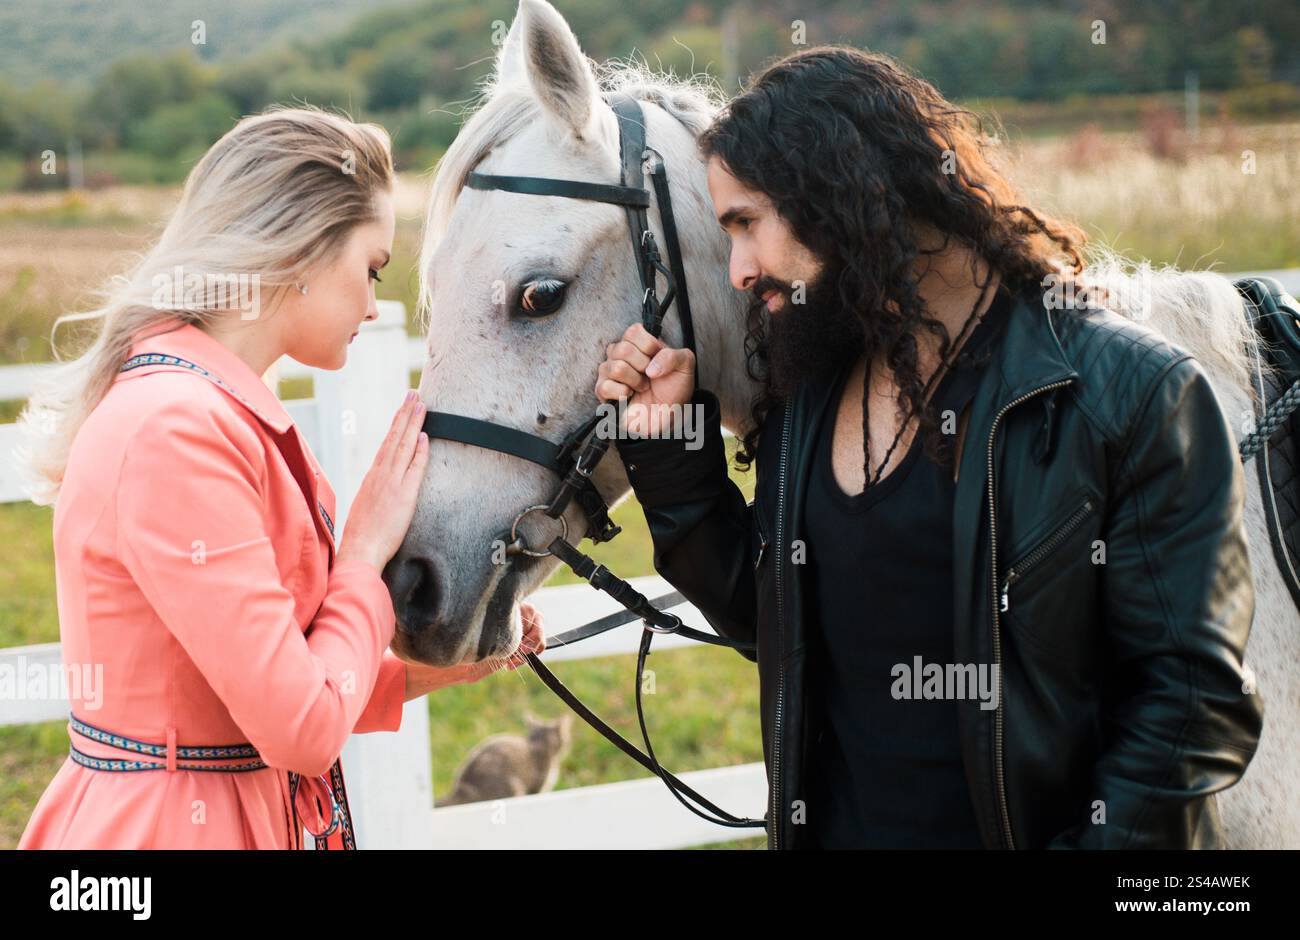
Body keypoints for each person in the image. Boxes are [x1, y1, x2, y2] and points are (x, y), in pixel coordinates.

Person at [598, 46, 1262, 849]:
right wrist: (673, 450)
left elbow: (1191, 711)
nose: (738, 270)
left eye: (746, 225)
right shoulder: (811, 387)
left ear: (840, 191)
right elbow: (773, 620)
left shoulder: (1128, 394)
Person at [14, 106, 542, 849]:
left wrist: (456, 664)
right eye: (371, 268)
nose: (372, 302)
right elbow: (301, 729)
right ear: (300, 247)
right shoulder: (178, 431)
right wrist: (360, 557)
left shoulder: (206, 411)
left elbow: (284, 687)